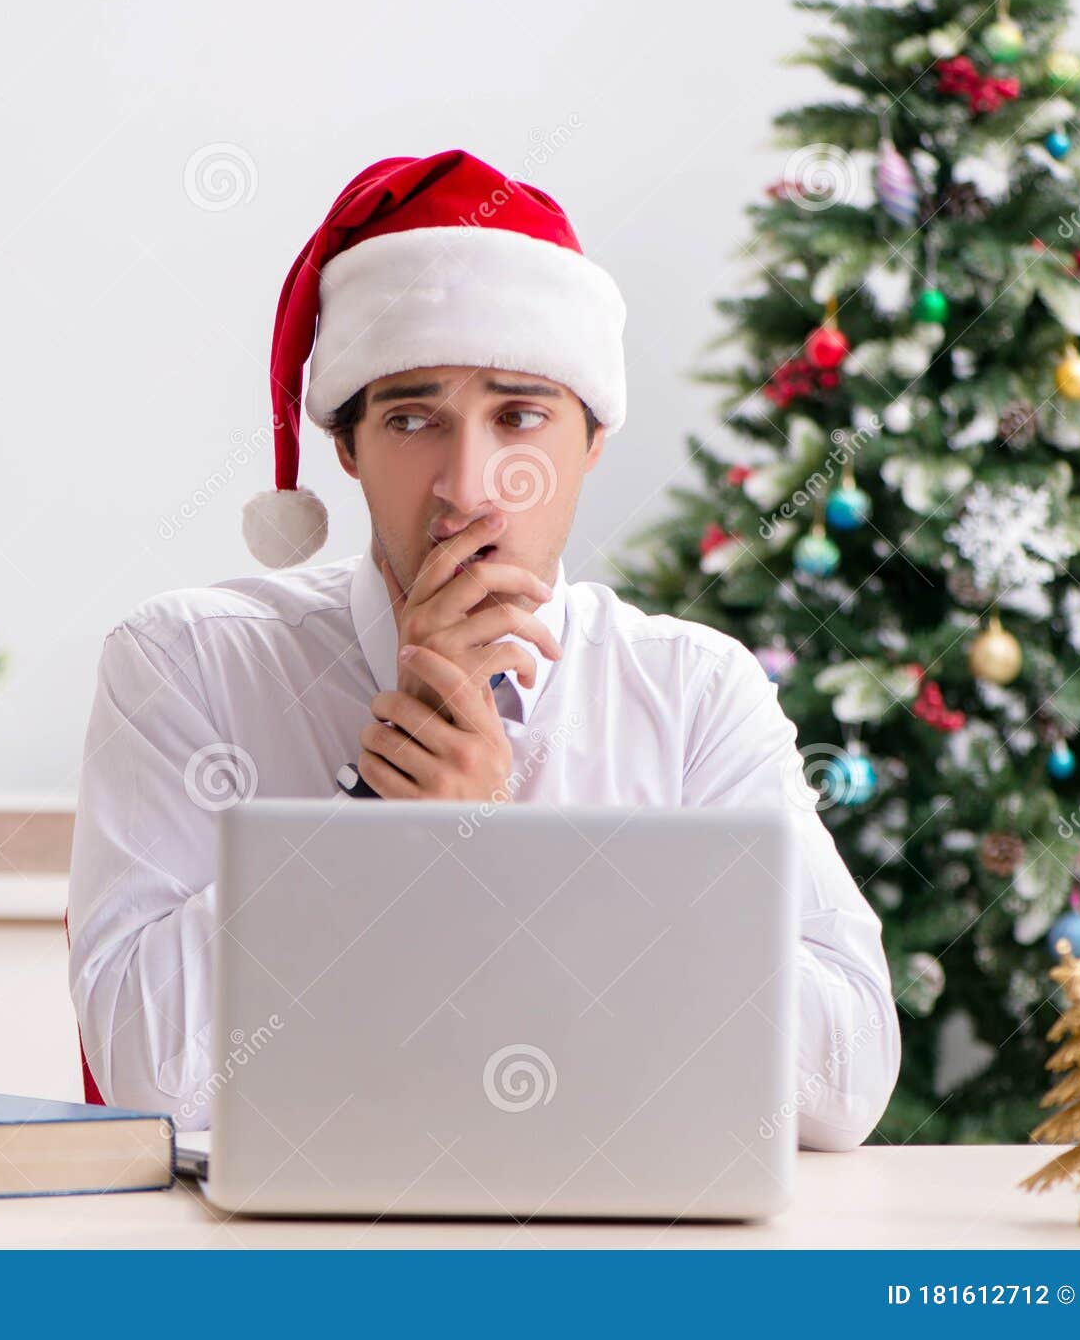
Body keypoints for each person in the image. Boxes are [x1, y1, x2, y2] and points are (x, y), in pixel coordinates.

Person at [67, 149, 900, 1151]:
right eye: (413, 418)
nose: (468, 487)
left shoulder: (691, 692)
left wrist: (521, 868)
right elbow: (145, 1076)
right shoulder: (189, 662)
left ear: (590, 441)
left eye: (519, 417)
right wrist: (375, 833)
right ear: (346, 446)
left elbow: (843, 1083)